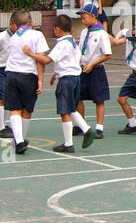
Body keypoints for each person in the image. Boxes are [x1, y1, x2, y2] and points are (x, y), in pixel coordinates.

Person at [27, 13, 94, 153]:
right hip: (75, 78)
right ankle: (86, 129)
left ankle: (68, 143)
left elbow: (46, 60)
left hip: (67, 80)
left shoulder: (62, 44)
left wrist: (30, 53)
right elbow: (70, 62)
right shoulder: (72, 43)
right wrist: (56, 74)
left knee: (65, 111)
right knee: (71, 107)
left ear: (57, 29)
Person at [2, 10, 49, 156]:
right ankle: (20, 140)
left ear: (14, 25)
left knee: (14, 109)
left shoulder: (13, 37)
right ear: (32, 22)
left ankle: (19, 140)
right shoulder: (37, 35)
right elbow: (40, 60)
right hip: (29, 75)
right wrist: (41, 80)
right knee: (27, 109)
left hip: (11, 74)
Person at [75, 4, 112, 139]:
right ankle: (82, 125)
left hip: (96, 70)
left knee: (99, 98)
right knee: (78, 97)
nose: (82, 20)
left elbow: (107, 54)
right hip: (83, 69)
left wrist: (92, 64)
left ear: (93, 16)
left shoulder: (102, 34)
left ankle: (99, 127)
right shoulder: (85, 32)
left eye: (84, 17)